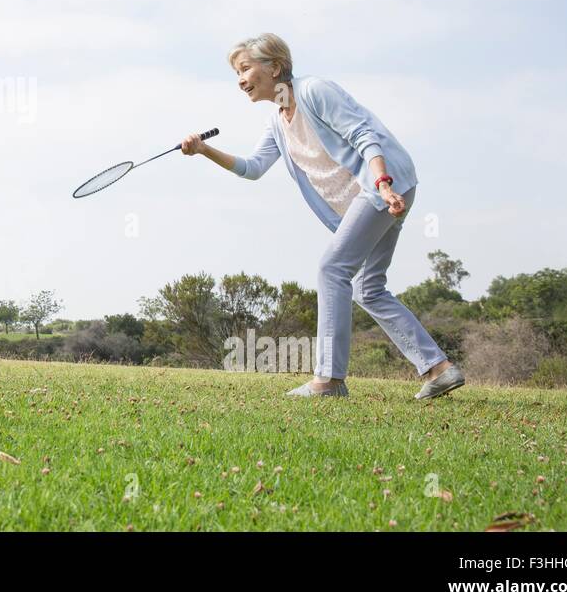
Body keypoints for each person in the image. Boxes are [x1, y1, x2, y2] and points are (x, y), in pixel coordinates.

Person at [181, 33, 464, 399]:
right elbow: (252, 168)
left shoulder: (315, 91)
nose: (240, 79)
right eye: (237, 72)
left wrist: (381, 182)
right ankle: (439, 369)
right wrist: (204, 150)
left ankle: (329, 380)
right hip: (370, 197)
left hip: (381, 185)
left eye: (245, 68)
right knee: (368, 287)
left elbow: (365, 134)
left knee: (333, 268)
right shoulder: (278, 123)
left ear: (276, 67)